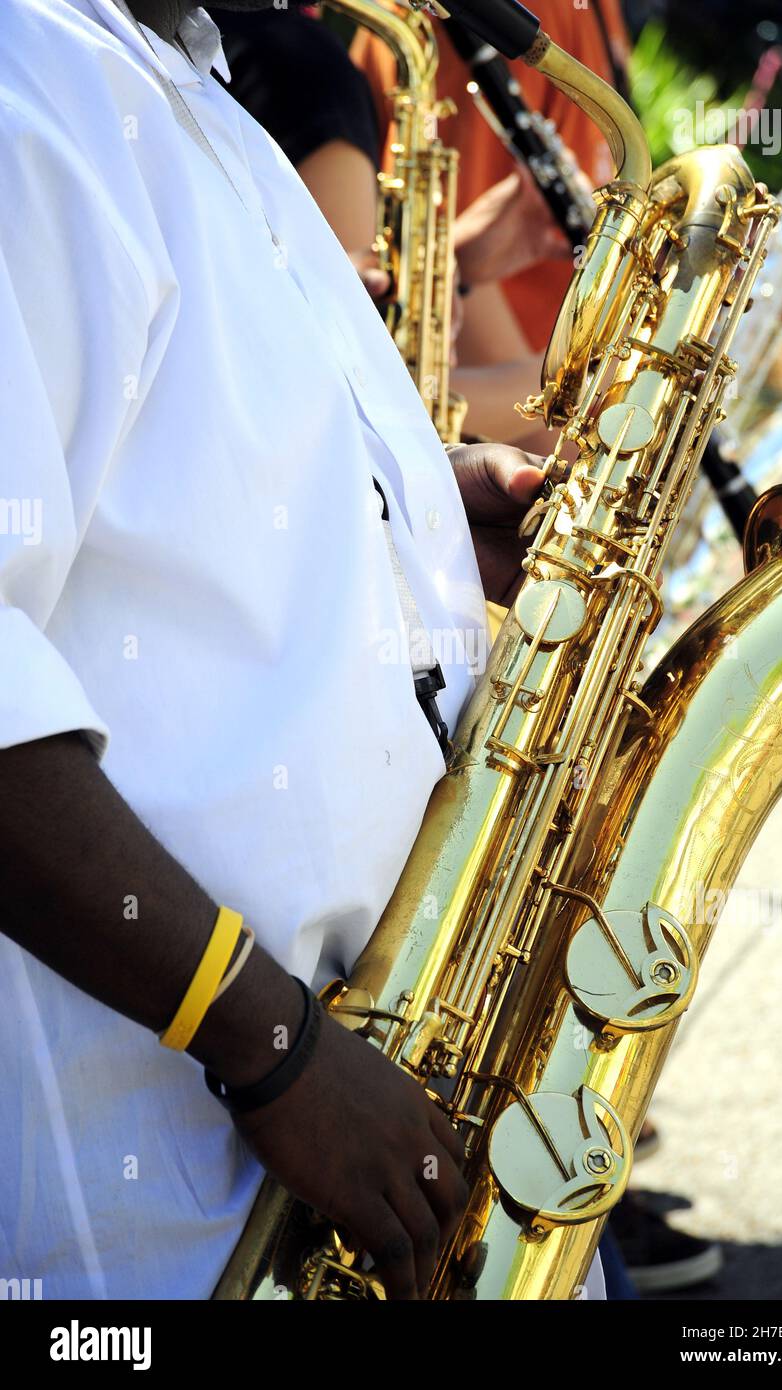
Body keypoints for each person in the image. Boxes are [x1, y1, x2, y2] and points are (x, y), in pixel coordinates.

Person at [0, 0, 602, 1301]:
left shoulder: (198, 95)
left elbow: (161, 514)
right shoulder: (26, 73)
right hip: (185, 1222)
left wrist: (426, 517)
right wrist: (272, 1048)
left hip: (379, 1089)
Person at [212, 5, 572, 448]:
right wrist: (581, 376)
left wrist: (454, 265)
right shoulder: (297, 66)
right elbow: (369, 406)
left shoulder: (191, 37)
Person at [352, 0, 632, 361]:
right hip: (516, 387)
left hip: (546, 372)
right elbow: (442, 266)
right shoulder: (499, 16)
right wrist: (593, 387)